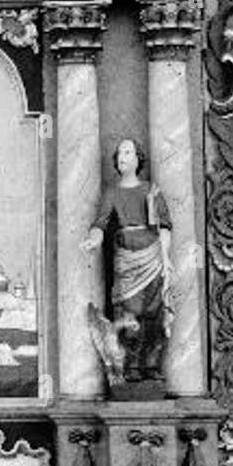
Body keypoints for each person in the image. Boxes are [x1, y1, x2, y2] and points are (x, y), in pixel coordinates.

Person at [83, 138, 172, 383]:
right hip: (126, 258)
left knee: (153, 311)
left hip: (152, 254)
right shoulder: (112, 192)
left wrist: (166, 257)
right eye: (120, 152)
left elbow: (164, 226)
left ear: (137, 158)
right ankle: (131, 364)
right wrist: (94, 239)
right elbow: (101, 222)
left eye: (128, 152)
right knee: (130, 310)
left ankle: (151, 364)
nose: (122, 156)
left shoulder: (150, 190)